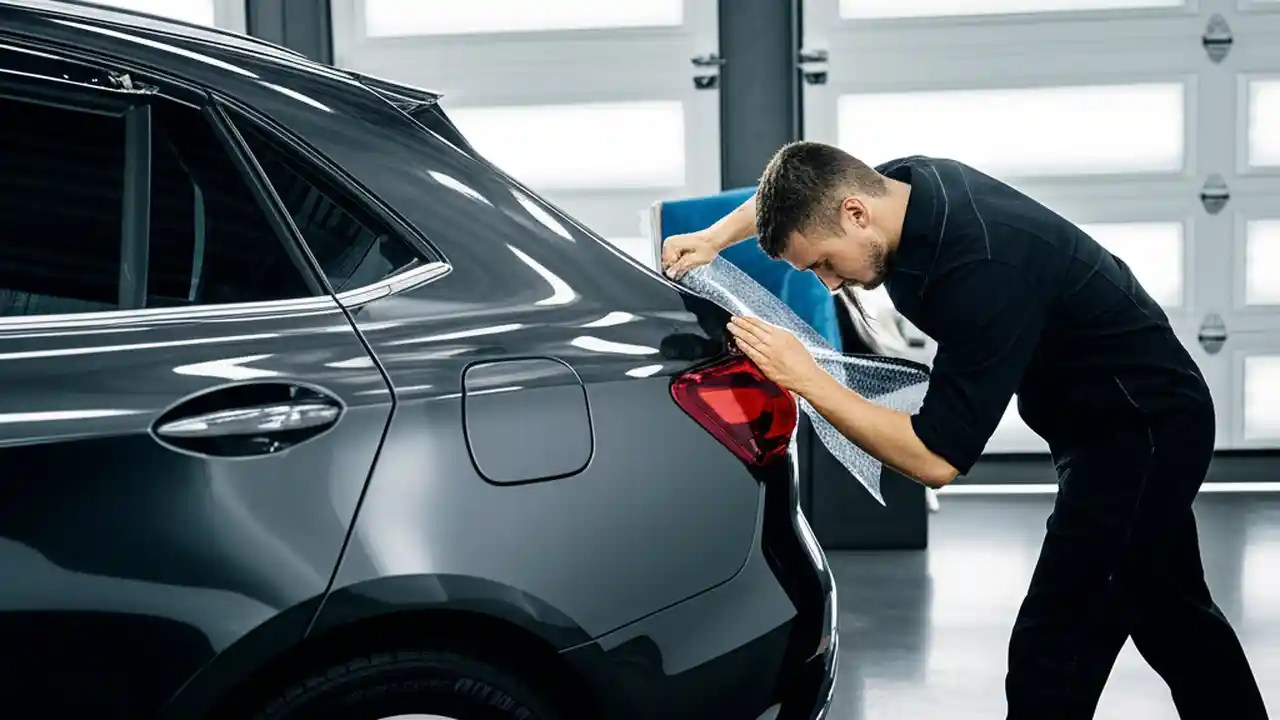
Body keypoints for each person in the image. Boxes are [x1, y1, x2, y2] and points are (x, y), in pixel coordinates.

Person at [661, 142, 1268, 720]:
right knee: (1174, 617)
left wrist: (807, 378)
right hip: (1114, 417)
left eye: (823, 261)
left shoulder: (980, 267)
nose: (829, 282)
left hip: (1140, 434)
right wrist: (715, 238)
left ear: (856, 214)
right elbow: (795, 186)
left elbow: (936, 460)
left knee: (1054, 644)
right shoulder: (898, 187)